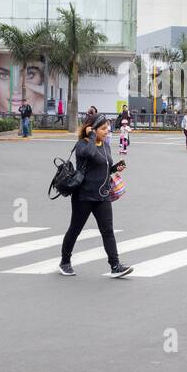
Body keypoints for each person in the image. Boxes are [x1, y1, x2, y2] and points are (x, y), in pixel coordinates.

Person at [58, 115, 132, 278]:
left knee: (108, 231)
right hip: (84, 196)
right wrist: (90, 135)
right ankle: (64, 262)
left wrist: (114, 169)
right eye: (103, 128)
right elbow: (90, 154)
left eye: (108, 128)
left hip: (102, 196)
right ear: (92, 129)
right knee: (75, 229)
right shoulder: (83, 144)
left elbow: (101, 168)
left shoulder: (105, 145)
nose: (107, 131)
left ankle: (115, 265)